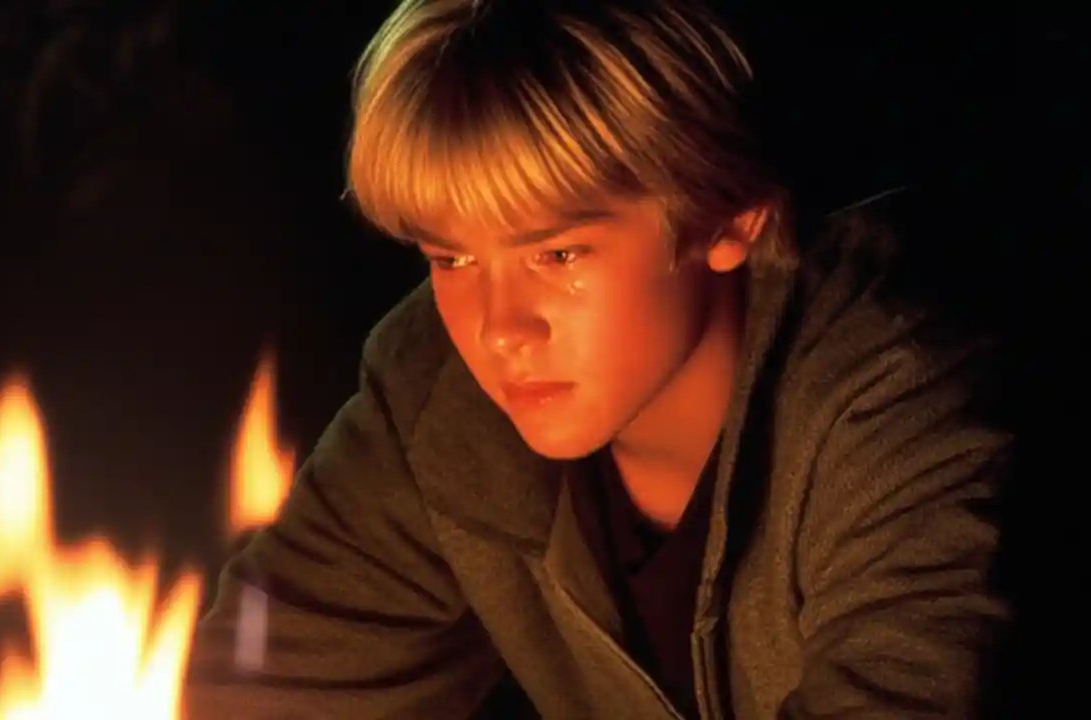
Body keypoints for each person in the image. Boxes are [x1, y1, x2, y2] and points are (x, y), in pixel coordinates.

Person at [184, 1, 1012, 717]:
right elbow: (259, 684)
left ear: (730, 217)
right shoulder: (435, 397)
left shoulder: (894, 399)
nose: (500, 328)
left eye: (558, 254)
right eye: (451, 258)